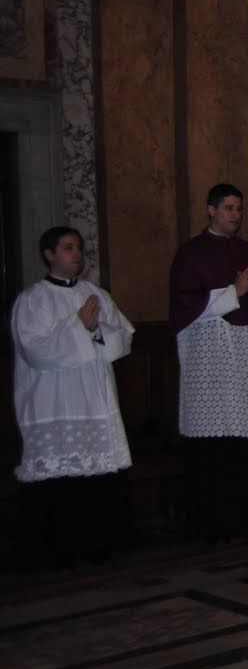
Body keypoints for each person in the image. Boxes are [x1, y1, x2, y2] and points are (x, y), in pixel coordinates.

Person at [11, 227, 135, 565]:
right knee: (58, 478)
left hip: (92, 397)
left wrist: (95, 329)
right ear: (49, 254)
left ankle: (100, 544)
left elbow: (124, 337)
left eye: (79, 248)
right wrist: (77, 327)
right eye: (68, 248)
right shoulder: (32, 300)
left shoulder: (97, 294)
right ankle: (52, 551)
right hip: (51, 399)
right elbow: (35, 351)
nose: (76, 254)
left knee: (95, 478)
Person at [168, 182, 248, 542]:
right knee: (216, 442)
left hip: (247, 351)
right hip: (210, 355)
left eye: (239, 209)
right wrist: (231, 292)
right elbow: (185, 305)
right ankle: (214, 524)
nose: (236, 215)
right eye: (229, 208)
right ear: (211, 210)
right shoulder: (191, 254)